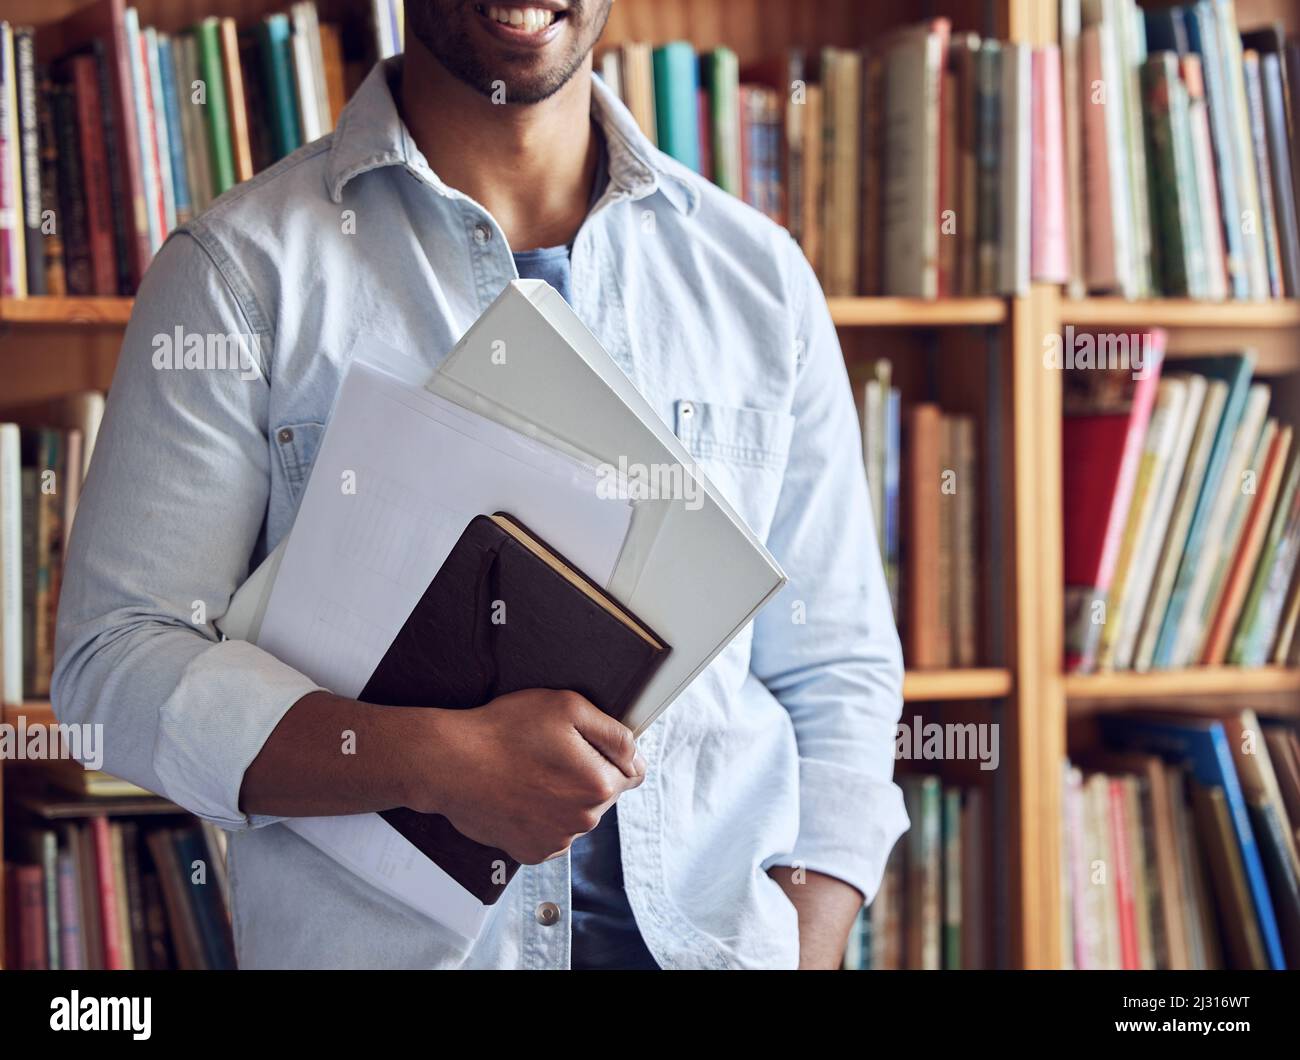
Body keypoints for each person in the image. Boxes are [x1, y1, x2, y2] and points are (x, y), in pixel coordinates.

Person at [52, 0, 907, 969]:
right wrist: (433, 764)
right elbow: (111, 668)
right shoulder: (235, 277)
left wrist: (807, 946)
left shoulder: (761, 281)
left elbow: (837, 674)